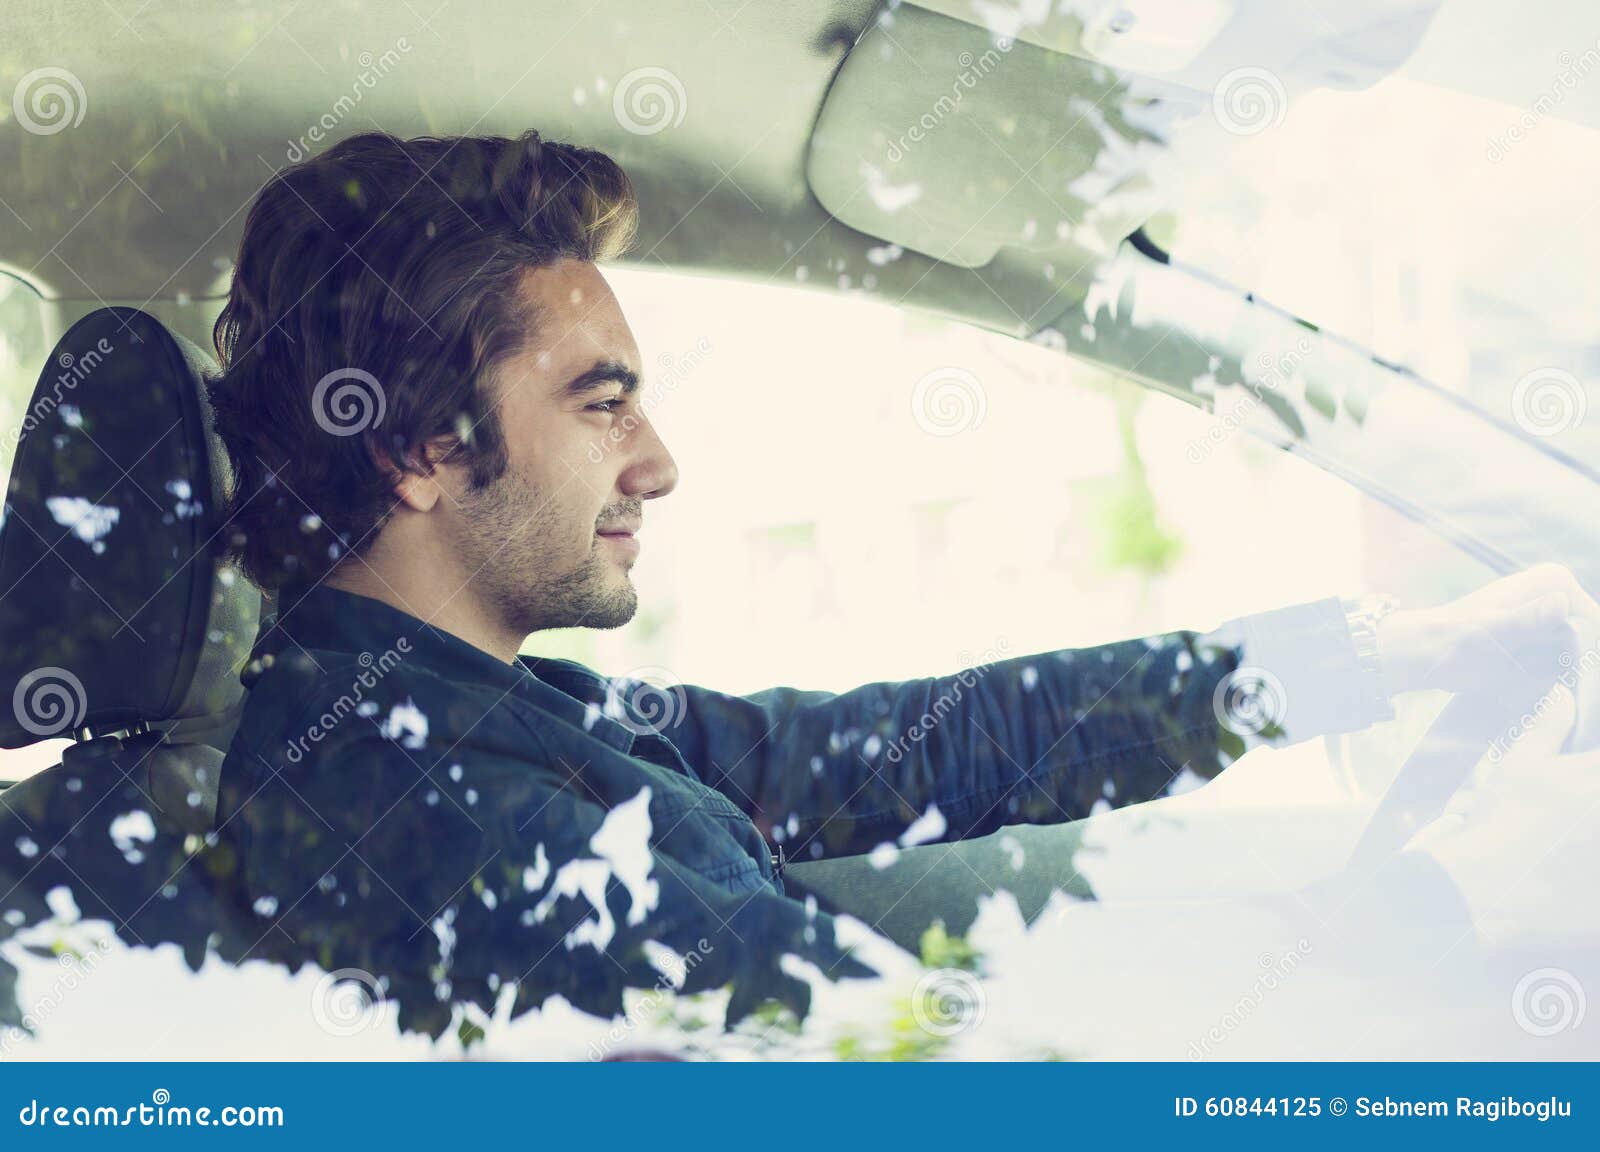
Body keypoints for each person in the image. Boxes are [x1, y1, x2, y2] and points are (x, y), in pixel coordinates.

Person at [204, 130, 1594, 1027]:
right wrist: (1358, 966)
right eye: (603, 405)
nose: (660, 463)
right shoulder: (415, 810)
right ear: (422, 452)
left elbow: (898, 750)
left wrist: (1377, 655)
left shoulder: (486, 710)